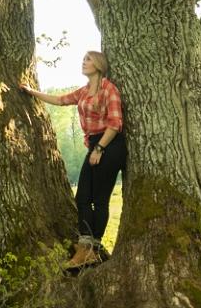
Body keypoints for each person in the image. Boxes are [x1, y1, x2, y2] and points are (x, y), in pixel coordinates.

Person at [21, 50, 125, 270]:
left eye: (87, 59)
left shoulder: (109, 89)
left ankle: (91, 251)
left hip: (110, 144)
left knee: (100, 198)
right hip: (95, 144)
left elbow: (115, 123)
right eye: (83, 59)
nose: (83, 62)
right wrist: (32, 92)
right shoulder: (85, 92)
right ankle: (85, 249)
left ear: (98, 64)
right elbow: (59, 100)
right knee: (83, 197)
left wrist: (99, 149)